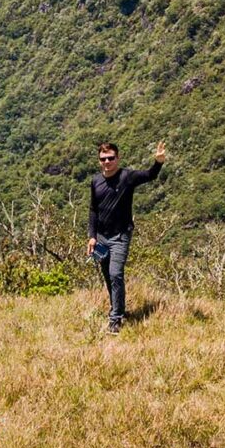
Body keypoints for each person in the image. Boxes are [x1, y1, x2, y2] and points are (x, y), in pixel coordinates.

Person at [87, 140, 166, 334]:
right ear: (99, 161)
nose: (107, 162)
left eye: (111, 158)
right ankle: (119, 309)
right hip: (101, 237)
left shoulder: (127, 177)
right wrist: (91, 236)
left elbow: (150, 175)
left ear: (117, 158)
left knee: (116, 274)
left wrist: (158, 162)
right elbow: (93, 210)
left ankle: (115, 320)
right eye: (103, 159)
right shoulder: (96, 181)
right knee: (108, 276)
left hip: (120, 235)